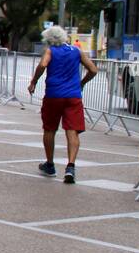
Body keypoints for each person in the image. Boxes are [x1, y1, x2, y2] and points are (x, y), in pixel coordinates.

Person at [27, 25, 98, 184]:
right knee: (72, 131)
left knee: (50, 129)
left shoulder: (51, 51)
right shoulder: (76, 51)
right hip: (73, 96)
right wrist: (82, 83)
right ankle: (71, 166)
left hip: (54, 96)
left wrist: (34, 82)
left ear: (49, 40)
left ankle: (50, 164)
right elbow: (93, 69)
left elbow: (43, 65)